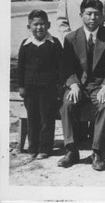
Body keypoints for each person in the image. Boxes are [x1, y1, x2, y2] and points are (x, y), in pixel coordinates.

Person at [57, 0, 105, 171]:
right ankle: (71, 150)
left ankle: (98, 152)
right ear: (81, 15)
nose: (93, 17)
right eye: (89, 14)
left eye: (96, 14)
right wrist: (73, 85)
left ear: (102, 16)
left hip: (100, 86)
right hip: (79, 85)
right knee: (67, 105)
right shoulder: (71, 38)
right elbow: (67, 66)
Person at [17, 10, 63, 159]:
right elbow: (20, 67)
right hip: (30, 89)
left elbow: (60, 67)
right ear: (29, 26)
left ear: (48, 25)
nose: (39, 28)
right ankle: (33, 148)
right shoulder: (25, 44)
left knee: (46, 118)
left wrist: (59, 86)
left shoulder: (54, 43)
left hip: (48, 89)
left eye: (42, 24)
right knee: (32, 118)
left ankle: (45, 148)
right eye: (35, 24)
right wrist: (21, 86)